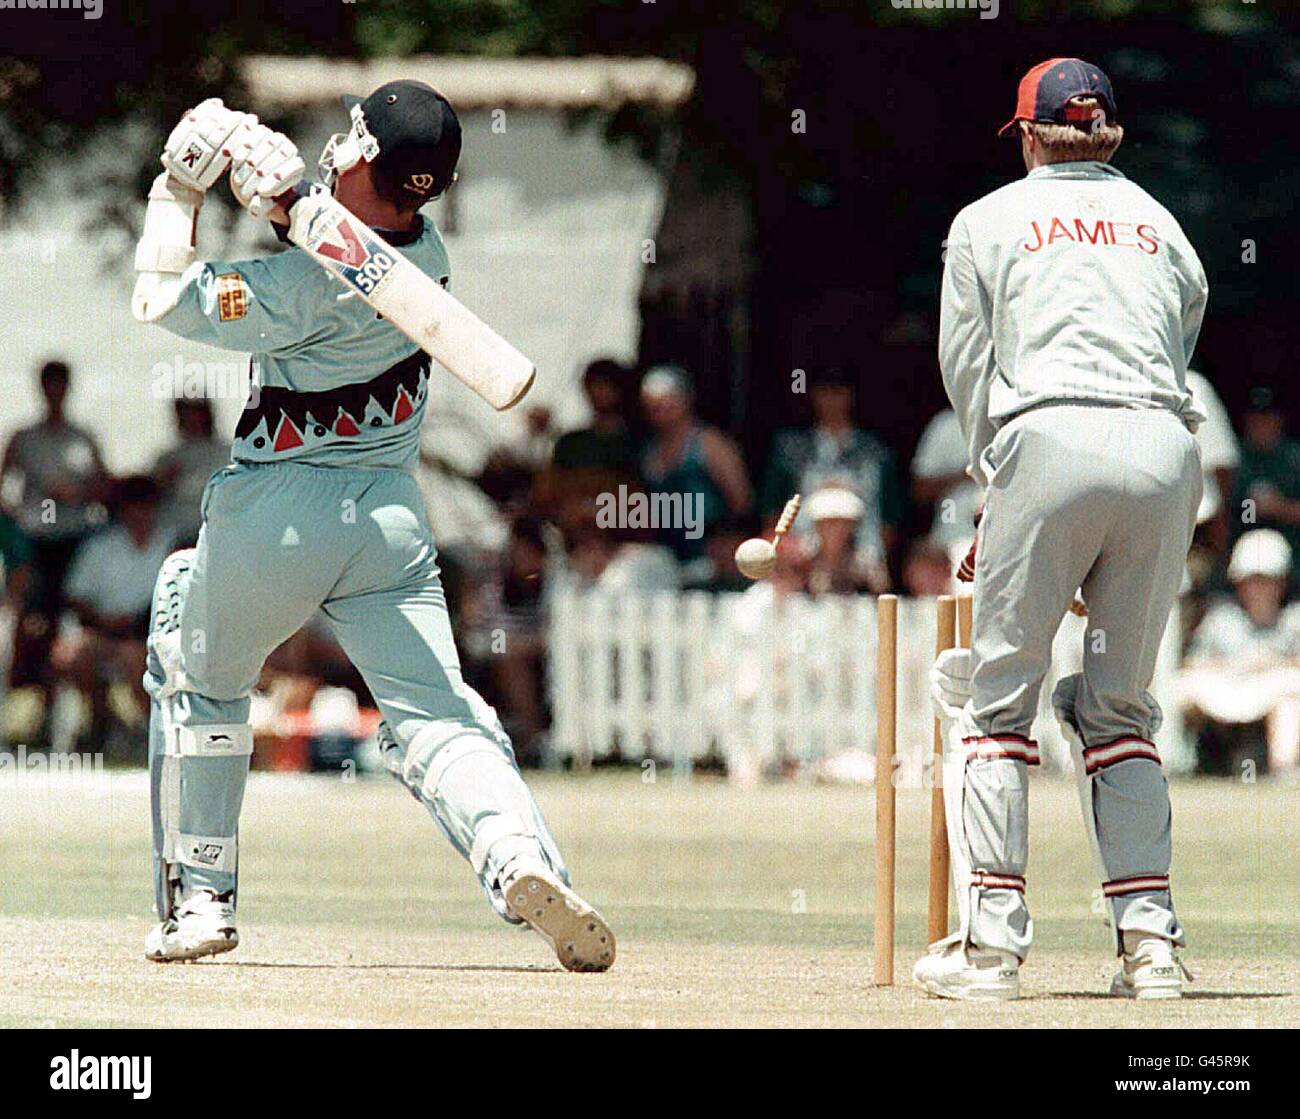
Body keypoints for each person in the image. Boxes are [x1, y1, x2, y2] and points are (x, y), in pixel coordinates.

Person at [130, 84, 614, 970]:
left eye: (351, 138)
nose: (336, 148)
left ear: (367, 163)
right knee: (437, 710)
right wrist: (280, 203)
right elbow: (349, 242)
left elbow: (162, 301)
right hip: (386, 522)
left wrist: (179, 194)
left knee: (193, 661)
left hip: (276, 513)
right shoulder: (426, 257)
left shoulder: (297, 287)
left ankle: (201, 897)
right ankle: (517, 855)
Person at [918, 58, 1206, 1000]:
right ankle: (1151, 948)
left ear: (1030, 135)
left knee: (994, 701)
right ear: (1110, 134)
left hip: (1046, 434)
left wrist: (998, 489)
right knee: (1120, 706)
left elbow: (968, 367)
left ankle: (992, 952)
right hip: (1167, 446)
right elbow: (1179, 341)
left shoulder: (988, 219)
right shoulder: (1164, 224)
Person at [0, 360, 108, 732]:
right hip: (37, 542)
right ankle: (38, 713)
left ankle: (90, 720)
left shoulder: (82, 437)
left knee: (76, 625)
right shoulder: (24, 438)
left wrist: (76, 494)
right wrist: (18, 519)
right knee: (34, 625)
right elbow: (3, 486)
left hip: (75, 541)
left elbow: (104, 487)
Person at [53, 476, 174, 741]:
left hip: (152, 635)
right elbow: (74, 596)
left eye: (146, 507)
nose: (140, 514)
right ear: (122, 510)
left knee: (134, 657)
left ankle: (154, 734)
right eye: (134, 507)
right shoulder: (98, 547)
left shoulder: (172, 544)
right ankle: (101, 721)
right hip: (103, 631)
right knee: (70, 655)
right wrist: (103, 620)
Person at [758, 367, 902, 590]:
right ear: (814, 395)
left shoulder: (877, 453)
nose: (832, 399)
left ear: (850, 396)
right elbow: (772, 513)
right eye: (825, 391)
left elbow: (889, 521)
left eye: (839, 391)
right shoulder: (789, 451)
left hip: (863, 559)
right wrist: (788, 555)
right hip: (800, 560)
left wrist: (873, 559)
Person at [1179, 529, 1300, 774]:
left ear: (1281, 581)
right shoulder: (1221, 617)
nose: (1257, 588)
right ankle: (1175, 763)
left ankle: (1283, 772)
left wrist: (1270, 663)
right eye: (1251, 580)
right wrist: (1238, 664)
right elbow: (1192, 665)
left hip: (1274, 690)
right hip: (1226, 690)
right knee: (1179, 688)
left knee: (1292, 692)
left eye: (1265, 579)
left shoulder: (1294, 619)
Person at [639, 365, 752, 574]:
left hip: (709, 557)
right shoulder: (649, 451)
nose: (662, 412)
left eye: (668, 403)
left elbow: (741, 502)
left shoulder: (710, 443)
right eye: (655, 407)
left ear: (685, 400)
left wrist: (728, 544)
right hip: (665, 556)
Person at [1230, 386, 1300, 586]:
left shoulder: (1294, 457)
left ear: (1279, 421)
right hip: (1247, 556)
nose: (1262, 425)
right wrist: (1252, 507)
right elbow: (1232, 514)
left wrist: (1279, 508)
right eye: (1256, 419)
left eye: (1267, 418)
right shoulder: (1238, 459)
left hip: (1294, 553)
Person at [152, 398, 231, 547]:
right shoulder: (168, 458)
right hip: (177, 533)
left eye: (195, 414)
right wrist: (164, 482)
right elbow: (146, 496)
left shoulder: (227, 453)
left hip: (217, 528)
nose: (191, 421)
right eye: (185, 415)